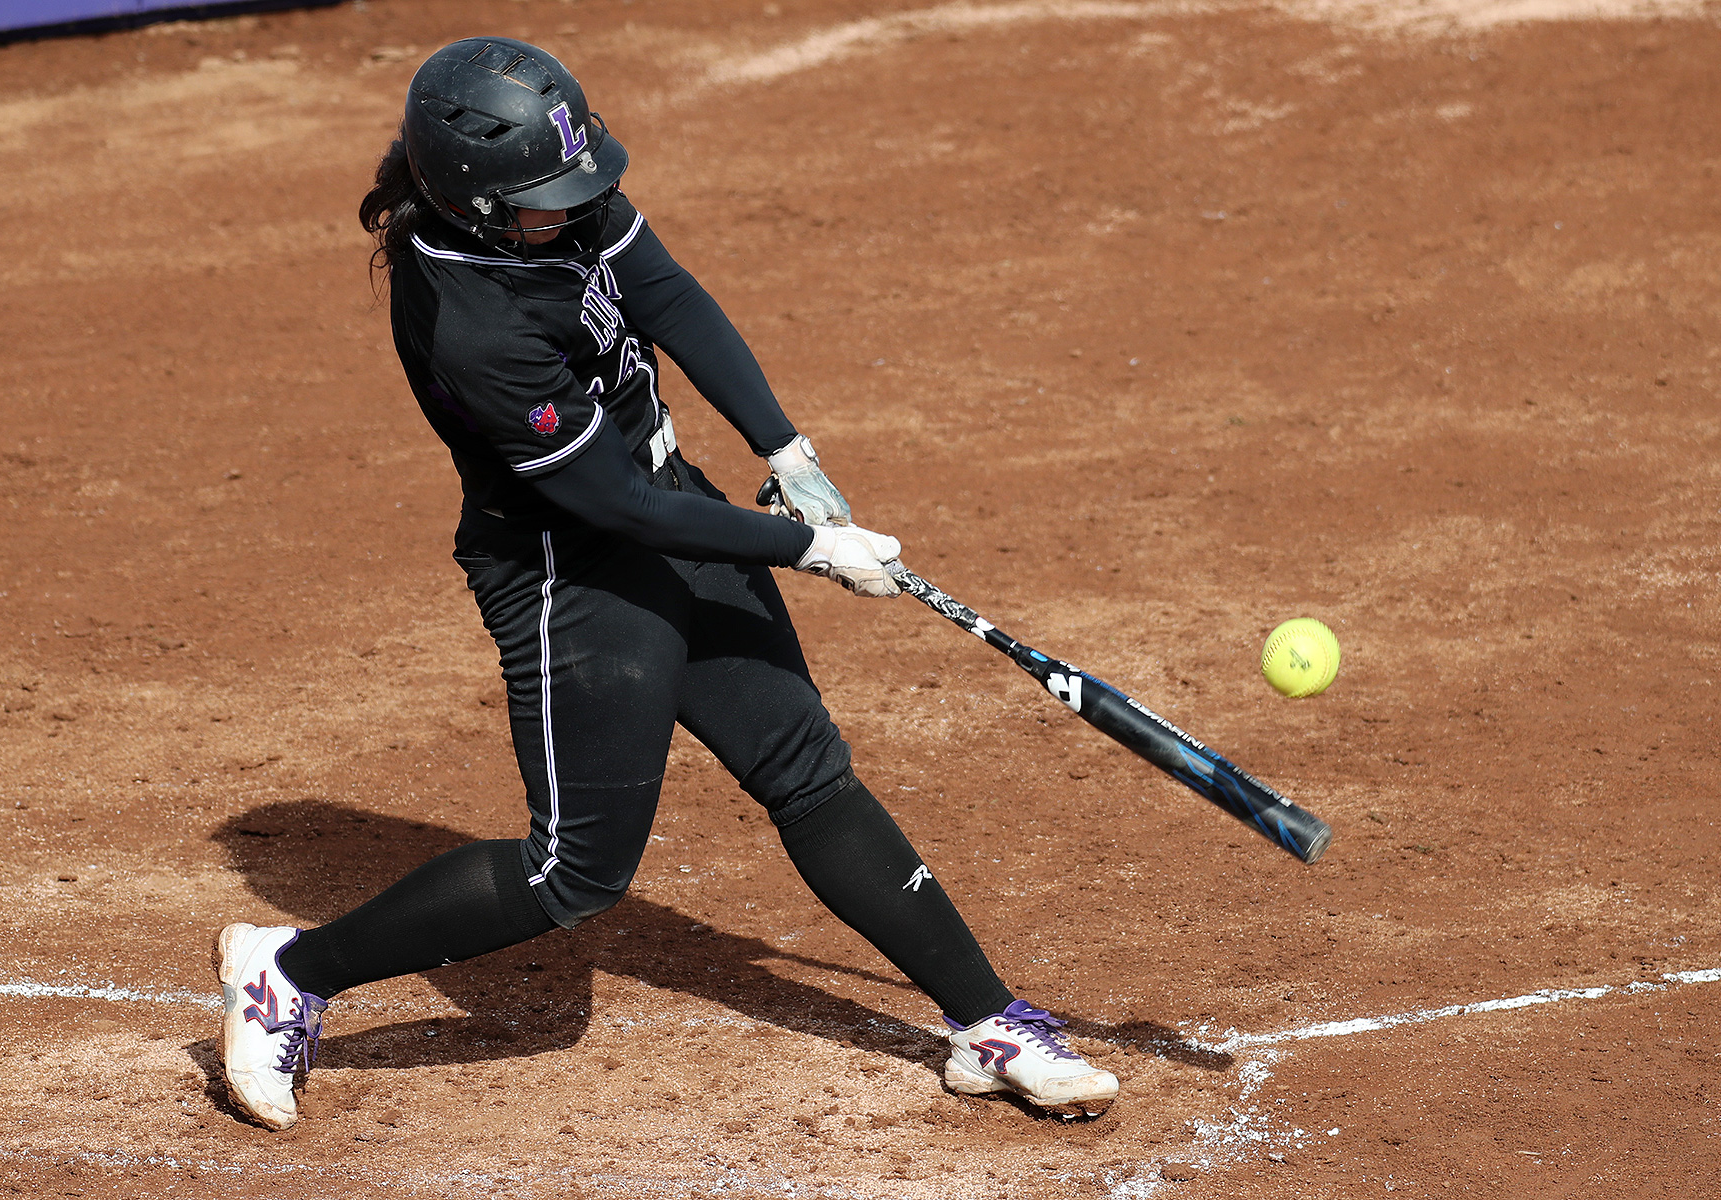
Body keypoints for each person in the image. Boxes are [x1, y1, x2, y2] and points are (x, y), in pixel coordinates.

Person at [211, 36, 1119, 1132]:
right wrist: (806, 549)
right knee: (573, 875)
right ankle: (288, 973)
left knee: (805, 769)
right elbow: (613, 506)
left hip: (672, 503)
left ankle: (987, 1024)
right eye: (548, 201)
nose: (577, 207)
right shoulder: (473, 326)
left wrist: (786, 450)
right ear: (475, 205)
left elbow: (670, 298)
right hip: (571, 566)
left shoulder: (555, 196)